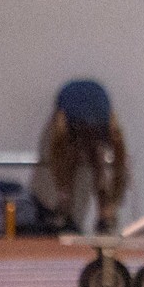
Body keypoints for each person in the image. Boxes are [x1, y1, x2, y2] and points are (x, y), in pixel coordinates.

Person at [46, 79, 129, 234]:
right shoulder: (64, 127)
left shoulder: (110, 128)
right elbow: (57, 158)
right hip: (71, 127)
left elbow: (120, 164)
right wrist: (63, 192)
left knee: (100, 162)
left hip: (91, 122)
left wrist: (112, 203)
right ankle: (65, 209)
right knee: (69, 158)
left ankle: (104, 214)